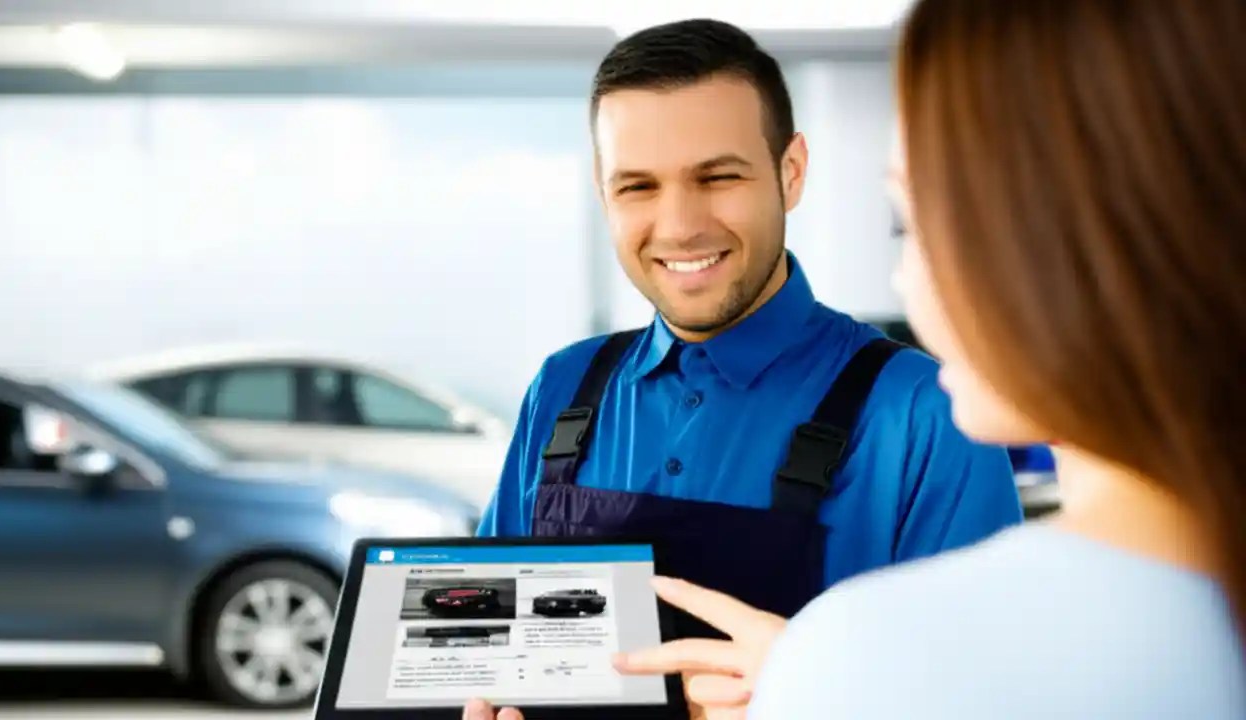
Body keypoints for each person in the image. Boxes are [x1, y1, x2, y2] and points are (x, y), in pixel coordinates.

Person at [587, 1, 1242, 718]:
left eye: (923, 218)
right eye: (636, 184)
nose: (905, 280)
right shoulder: (566, 387)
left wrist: (829, 684)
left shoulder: (917, 428)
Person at [475, 18, 1020, 648]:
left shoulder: (923, 411)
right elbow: (499, 650)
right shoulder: (563, 387)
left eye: (718, 177)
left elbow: (981, 686)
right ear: (605, 194)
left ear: (790, 172)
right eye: (638, 186)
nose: (679, 226)